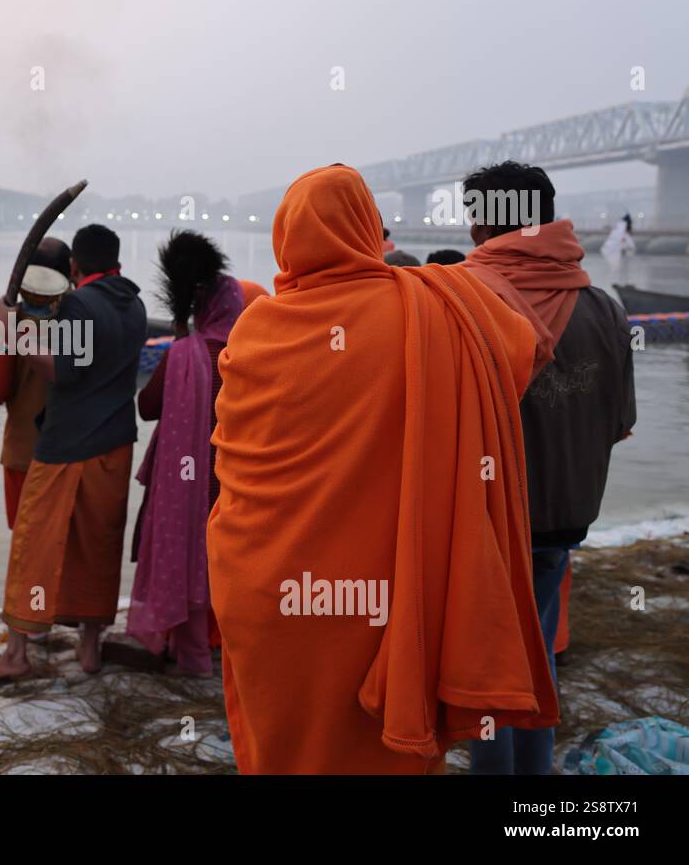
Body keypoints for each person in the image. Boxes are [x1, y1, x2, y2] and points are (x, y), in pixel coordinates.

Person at [209, 164, 558, 774]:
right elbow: (526, 348)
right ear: (369, 228)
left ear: (284, 237)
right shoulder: (430, 307)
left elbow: (232, 461)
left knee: (282, 747)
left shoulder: (256, 327)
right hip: (375, 600)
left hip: (260, 584)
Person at [460, 160, 636, 774]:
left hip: (484, 523)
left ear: (488, 224)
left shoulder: (460, 298)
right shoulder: (606, 307)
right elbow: (618, 424)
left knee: (484, 669)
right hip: (565, 519)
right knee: (538, 650)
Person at [0, 223, 148, 677]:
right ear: (116, 261)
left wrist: (10, 332)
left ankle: (16, 654)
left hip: (65, 445)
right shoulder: (135, 304)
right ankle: (90, 646)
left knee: (34, 544)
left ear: (75, 266)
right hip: (116, 444)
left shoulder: (78, 303)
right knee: (98, 544)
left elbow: (64, 370)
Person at [129, 230, 244, 677]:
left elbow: (146, 407)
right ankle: (225, 650)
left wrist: (179, 345)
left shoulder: (187, 355)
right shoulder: (253, 354)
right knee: (226, 565)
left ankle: (192, 654)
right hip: (236, 481)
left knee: (189, 556)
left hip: (190, 485)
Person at [0, 259, 71, 528]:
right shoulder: (77, 321)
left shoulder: (11, 327)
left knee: (25, 541)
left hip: (22, 455)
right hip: (70, 454)